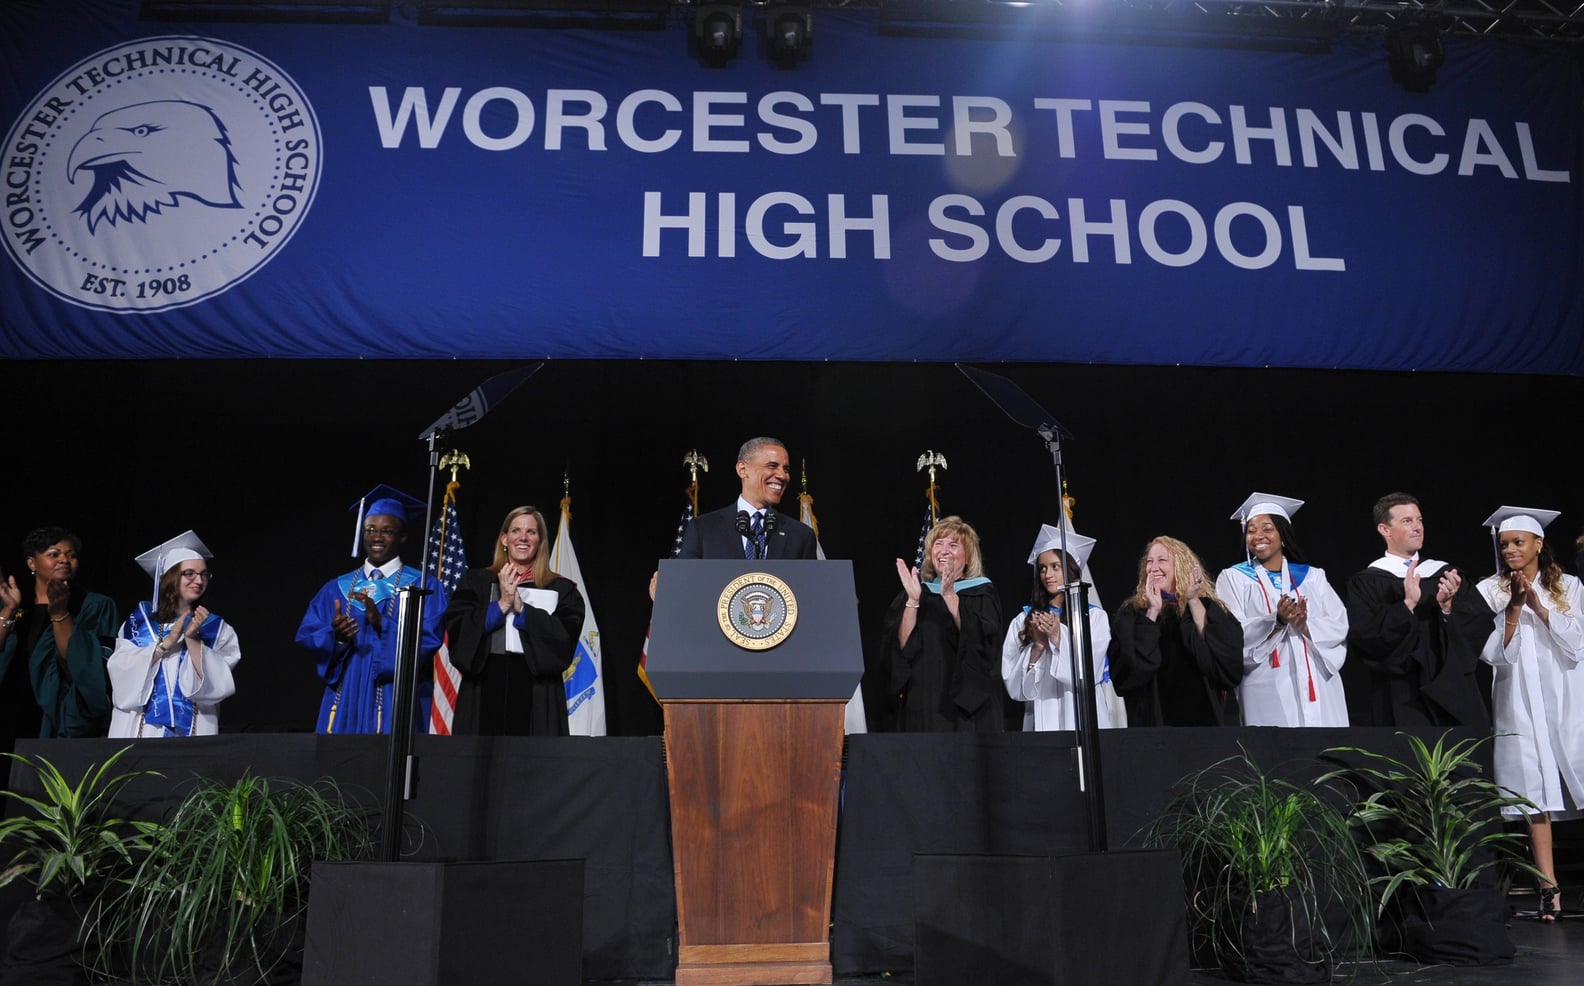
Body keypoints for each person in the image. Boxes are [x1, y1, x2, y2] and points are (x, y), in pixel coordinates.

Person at [1474, 506, 1583, 923]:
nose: (1510, 550)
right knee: (1533, 793)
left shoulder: (1569, 586)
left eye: (1518, 542)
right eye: (1504, 544)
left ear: (1539, 544)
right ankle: (1548, 891)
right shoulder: (1489, 589)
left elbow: (1578, 642)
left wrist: (1540, 606)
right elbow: (1492, 654)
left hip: (1566, 694)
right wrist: (1515, 609)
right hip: (1518, 696)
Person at [296, 485, 446, 734]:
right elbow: (308, 634)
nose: (377, 537)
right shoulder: (336, 587)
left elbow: (429, 639)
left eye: (387, 531)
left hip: (393, 694)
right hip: (344, 693)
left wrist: (382, 625)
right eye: (370, 530)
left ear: (403, 537)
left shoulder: (423, 586)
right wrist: (337, 638)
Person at [1345, 492, 1492, 728]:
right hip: (1401, 697)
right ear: (1384, 529)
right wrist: (1407, 605)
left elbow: (1478, 629)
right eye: (1407, 521)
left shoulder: (1445, 574)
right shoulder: (1367, 582)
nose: (1418, 527)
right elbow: (1366, 639)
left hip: (1454, 693)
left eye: (1419, 520)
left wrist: (1447, 609)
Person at [444, 505, 586, 736]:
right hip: (484, 687)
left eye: (531, 532)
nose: (523, 537)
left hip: (538, 693)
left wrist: (522, 609)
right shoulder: (476, 582)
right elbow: (459, 629)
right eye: (516, 530)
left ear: (540, 541)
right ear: (504, 538)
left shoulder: (561, 589)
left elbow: (564, 637)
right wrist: (501, 606)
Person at [1215, 493, 1349, 727]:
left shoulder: (1313, 576)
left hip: (1316, 678)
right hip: (1264, 679)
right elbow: (1230, 631)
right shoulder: (1233, 578)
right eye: (1251, 530)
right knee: (1274, 752)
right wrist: (1275, 621)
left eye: (1267, 528)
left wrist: (1305, 626)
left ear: (1283, 536)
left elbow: (1339, 622)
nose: (1258, 536)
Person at [107, 531, 240, 738]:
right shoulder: (139, 622)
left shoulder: (216, 628)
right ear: (170, 577)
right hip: (140, 727)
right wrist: (165, 644)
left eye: (204, 574)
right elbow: (119, 673)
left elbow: (216, 686)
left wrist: (192, 639)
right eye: (190, 573)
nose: (199, 580)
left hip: (192, 728)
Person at [882, 516, 1004, 731]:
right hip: (922, 705)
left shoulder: (982, 592)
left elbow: (983, 644)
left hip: (968, 711)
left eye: (953, 545)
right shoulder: (918, 592)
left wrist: (949, 595)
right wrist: (912, 601)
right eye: (938, 544)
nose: (944, 550)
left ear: (968, 557)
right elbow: (900, 648)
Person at [1109, 536, 1243, 726]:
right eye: (1149, 561)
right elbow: (1126, 675)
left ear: (1181, 565)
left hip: (1208, 729)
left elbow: (1226, 666)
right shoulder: (1132, 614)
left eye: (1162, 560)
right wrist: (1153, 612)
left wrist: (1193, 601)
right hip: (1153, 730)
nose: (1153, 567)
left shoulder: (1208, 607)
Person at [1001, 524, 1123, 731]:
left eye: (1056, 566)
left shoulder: (1093, 617)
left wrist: (1058, 636)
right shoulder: (1024, 619)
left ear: (1071, 569)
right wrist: (1038, 647)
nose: (1048, 574)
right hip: (1041, 716)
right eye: (1042, 568)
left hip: (1083, 715)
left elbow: (1091, 672)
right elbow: (1014, 685)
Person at [0, 527, 118, 738]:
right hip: (9, 705)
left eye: (71, 555)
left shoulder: (93, 605)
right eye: (54, 554)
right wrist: (8, 610)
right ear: (32, 563)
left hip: (54, 715)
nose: (64, 559)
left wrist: (59, 612)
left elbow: (83, 665)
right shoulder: (17, 604)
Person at [675, 437, 818, 561]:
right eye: (772, 466)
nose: (783, 475)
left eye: (786, 469)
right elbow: (685, 583)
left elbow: (810, 588)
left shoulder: (801, 536)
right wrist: (663, 585)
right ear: (742, 469)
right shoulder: (703, 529)